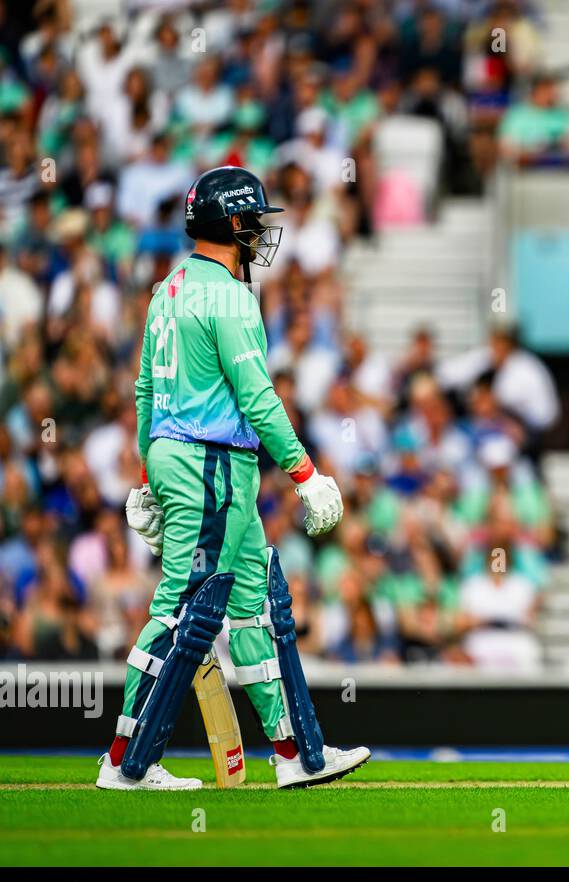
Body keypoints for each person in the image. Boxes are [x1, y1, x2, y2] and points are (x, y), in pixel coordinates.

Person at [99, 166, 370, 791]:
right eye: (254, 220)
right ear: (234, 222)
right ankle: (125, 761)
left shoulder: (166, 290)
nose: (260, 234)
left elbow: (145, 393)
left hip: (183, 454)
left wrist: (147, 474)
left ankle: (295, 752)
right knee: (188, 607)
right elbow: (257, 396)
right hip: (211, 461)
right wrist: (305, 473)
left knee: (257, 601)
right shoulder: (229, 296)